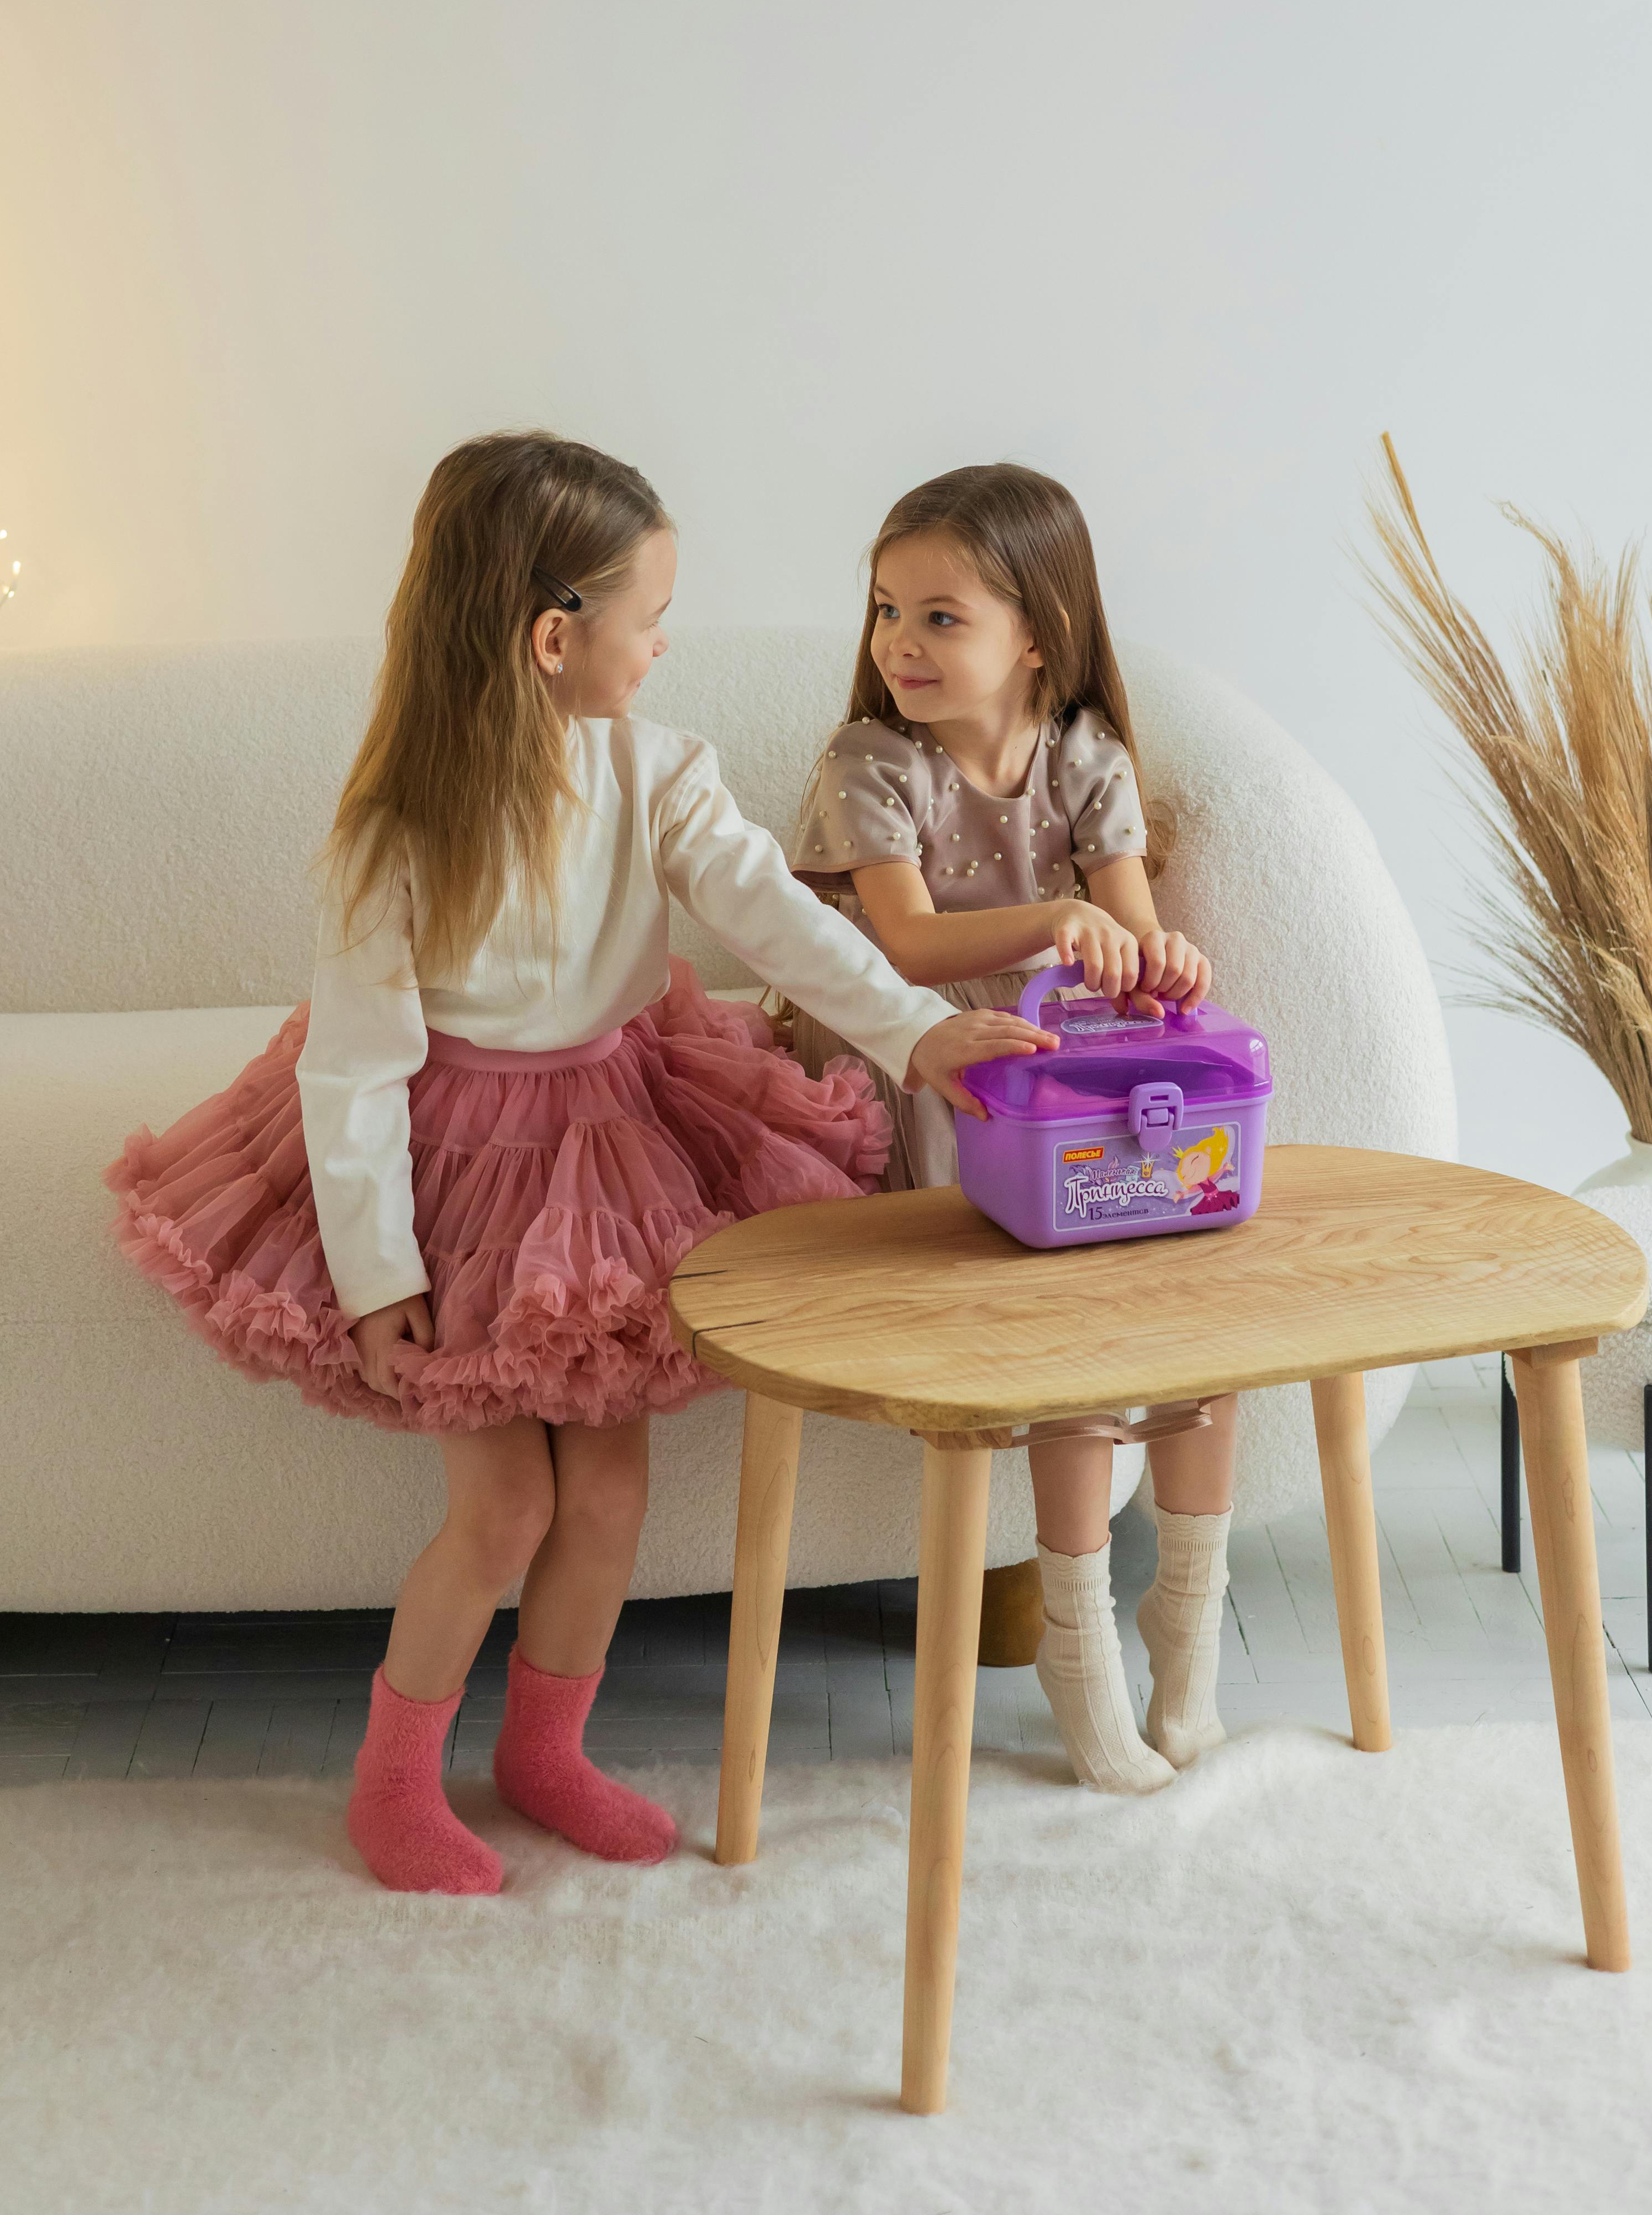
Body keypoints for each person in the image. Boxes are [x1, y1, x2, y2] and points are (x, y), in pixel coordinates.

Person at [109, 431, 1041, 1892]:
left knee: (606, 1498)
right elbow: (352, 1067)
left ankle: (546, 1752)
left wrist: (922, 1035)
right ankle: (395, 1781)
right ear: (556, 636)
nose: (665, 646)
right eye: (647, 618)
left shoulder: (657, 773)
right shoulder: (395, 831)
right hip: (448, 1172)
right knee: (508, 1508)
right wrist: (375, 1278)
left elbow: (778, 922)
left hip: (614, 1146)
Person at [787, 461, 1231, 1797]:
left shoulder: (1087, 755)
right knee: (1077, 1331)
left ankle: (1186, 1633)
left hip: (1054, 1062)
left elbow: (1135, 945)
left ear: (1037, 634)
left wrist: (1169, 967)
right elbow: (910, 946)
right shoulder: (872, 764)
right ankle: (1080, 1651)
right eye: (885, 611)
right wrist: (1054, 923)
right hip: (931, 1061)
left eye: (940, 618)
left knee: (1207, 1333)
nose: (898, 646)